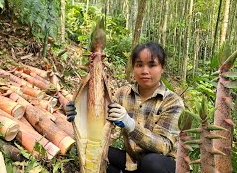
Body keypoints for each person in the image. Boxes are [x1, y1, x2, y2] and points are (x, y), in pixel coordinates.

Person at [65, 41, 184, 173]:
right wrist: (78, 115)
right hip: (132, 160)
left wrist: (130, 124)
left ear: (162, 68)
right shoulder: (123, 94)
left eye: (152, 65)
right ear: (133, 67)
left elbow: (164, 146)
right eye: (139, 65)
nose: (145, 71)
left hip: (163, 164)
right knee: (96, 154)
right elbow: (104, 124)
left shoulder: (172, 101)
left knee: (150, 163)